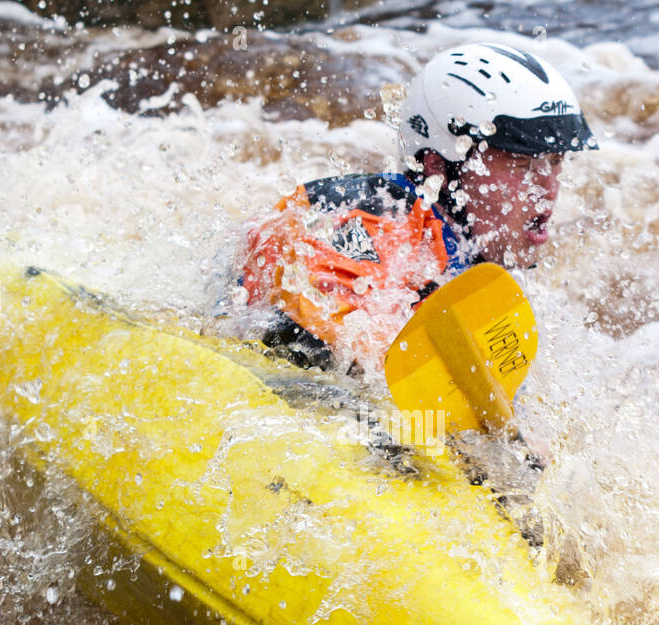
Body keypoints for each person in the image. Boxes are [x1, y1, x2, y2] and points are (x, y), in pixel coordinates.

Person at [238, 42, 597, 377]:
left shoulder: (475, 270)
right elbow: (306, 355)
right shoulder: (365, 220)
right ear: (438, 168)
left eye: (555, 161)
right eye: (521, 165)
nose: (548, 189)